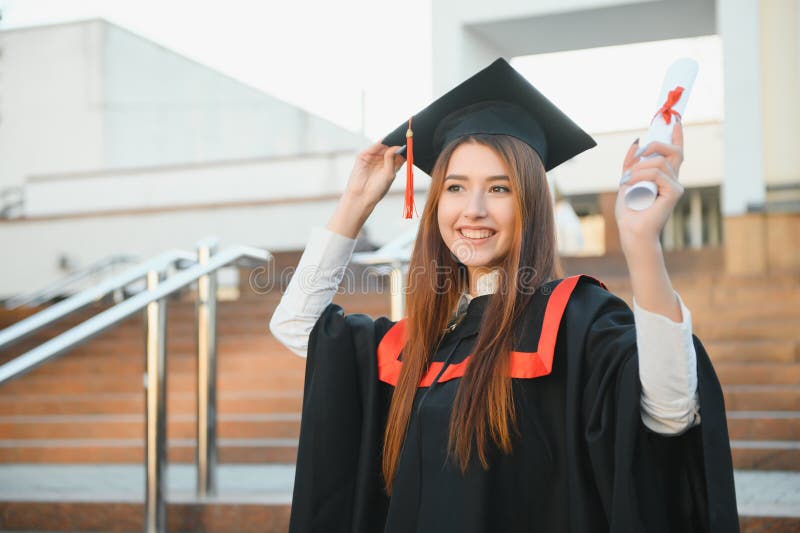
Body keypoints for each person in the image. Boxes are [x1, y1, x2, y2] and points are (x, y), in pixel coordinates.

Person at [269, 59, 738, 533]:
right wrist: (355, 202)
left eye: (499, 188)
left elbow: (671, 411)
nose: (473, 209)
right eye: (455, 187)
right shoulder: (417, 344)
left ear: (531, 203)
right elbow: (295, 326)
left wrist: (640, 242)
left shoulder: (572, 323)